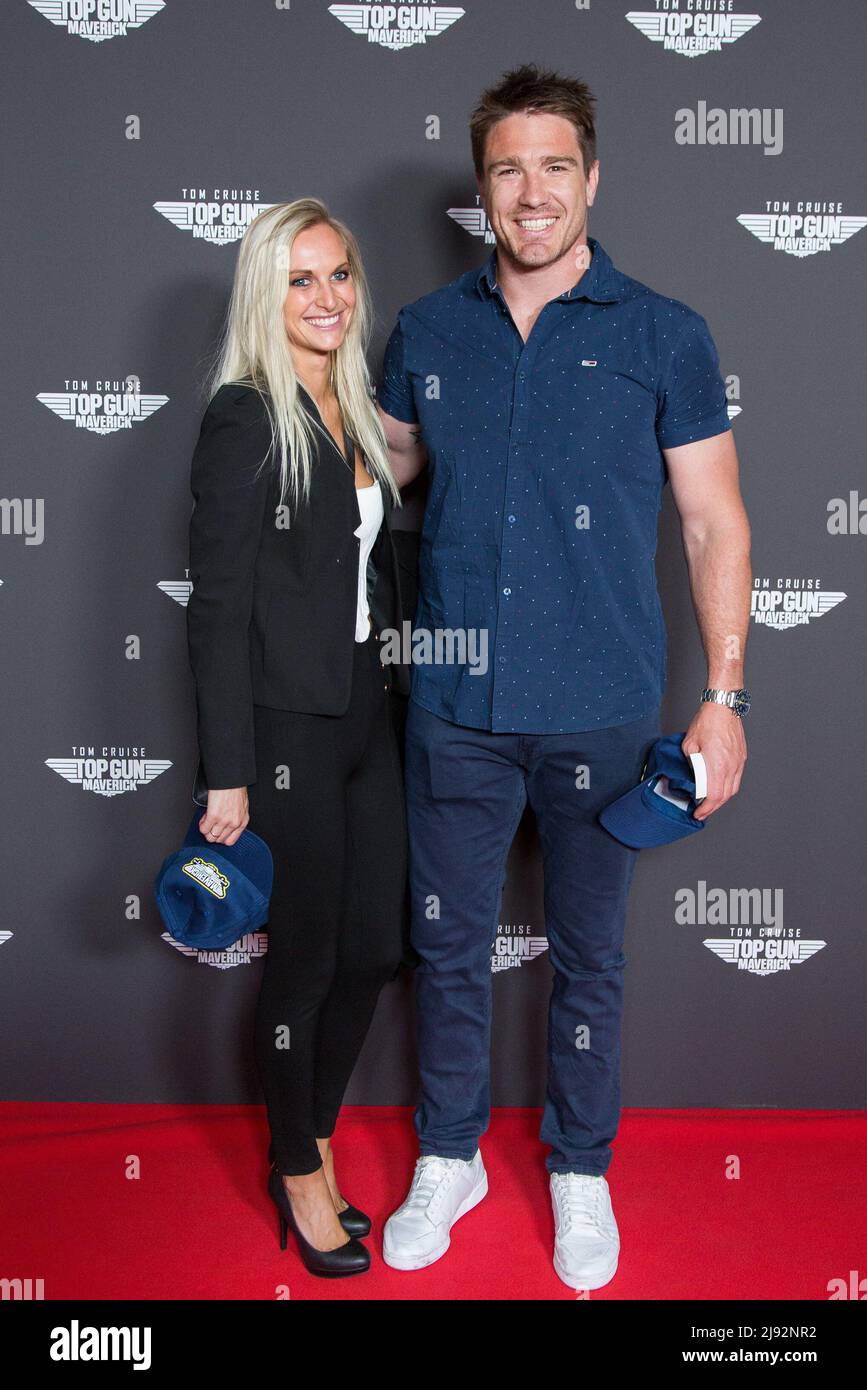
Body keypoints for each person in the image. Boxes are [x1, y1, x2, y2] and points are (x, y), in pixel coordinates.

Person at [375, 64, 751, 1289]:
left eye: (553, 166)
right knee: (447, 945)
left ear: (593, 178)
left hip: (600, 701)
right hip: (455, 701)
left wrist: (726, 696)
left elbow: (714, 523)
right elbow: (378, 480)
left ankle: (579, 1167)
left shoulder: (665, 332)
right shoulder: (428, 332)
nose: (530, 192)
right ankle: (450, 1154)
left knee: (591, 955)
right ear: (480, 188)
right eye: (505, 169)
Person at [186, 197, 410, 1278]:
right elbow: (217, 605)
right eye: (300, 280)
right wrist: (227, 772)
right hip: (285, 727)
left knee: (373, 946)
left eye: (339, 276)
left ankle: (313, 1130)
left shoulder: (352, 408)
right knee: (308, 959)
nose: (325, 299)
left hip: (369, 711)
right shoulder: (245, 415)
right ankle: (297, 1166)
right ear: (265, 296)